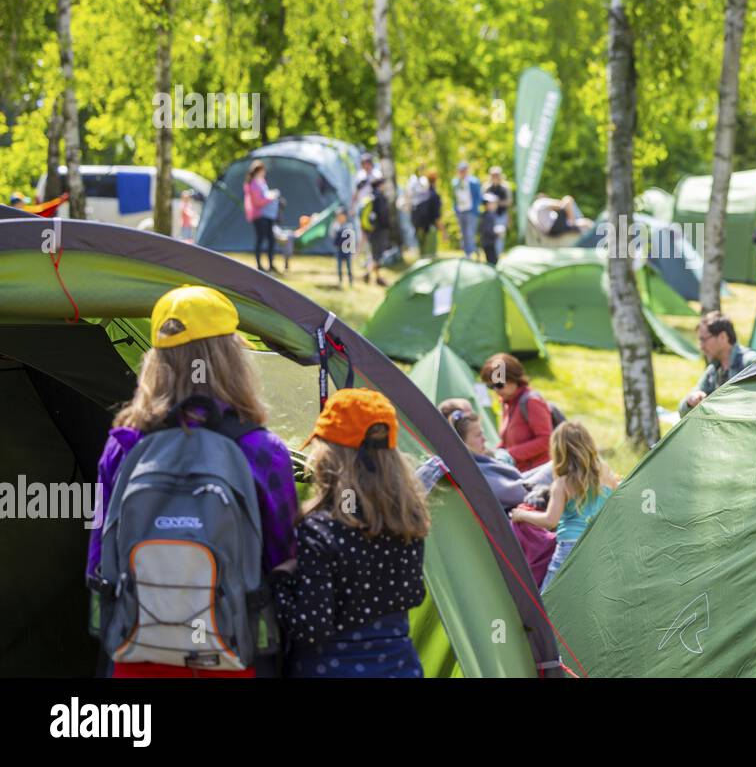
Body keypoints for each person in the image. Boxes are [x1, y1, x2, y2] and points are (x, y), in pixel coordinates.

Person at [86, 286, 298, 677]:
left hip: (137, 656)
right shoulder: (261, 450)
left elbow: (99, 563)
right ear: (233, 358)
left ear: (155, 361)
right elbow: (282, 561)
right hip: (232, 657)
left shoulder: (123, 446)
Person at [272, 388, 428, 678]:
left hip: (331, 668)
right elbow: (413, 592)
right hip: (399, 667)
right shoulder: (410, 521)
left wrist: (278, 583)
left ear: (329, 457)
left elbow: (311, 627)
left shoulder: (320, 533)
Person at [427, 399, 556, 587]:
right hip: (514, 546)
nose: (485, 439)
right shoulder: (474, 472)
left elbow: (518, 481)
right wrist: (554, 469)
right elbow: (518, 490)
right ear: (463, 442)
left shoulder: (476, 462)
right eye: (479, 435)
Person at [510, 421, 619, 592]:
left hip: (569, 546)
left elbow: (550, 520)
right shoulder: (606, 475)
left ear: (559, 451)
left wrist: (521, 515)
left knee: (550, 597)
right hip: (599, 544)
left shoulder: (562, 484)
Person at [480, 353, 554, 472]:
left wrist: (510, 454)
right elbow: (506, 441)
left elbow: (546, 440)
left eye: (499, 384)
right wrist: (492, 455)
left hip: (538, 473)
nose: (495, 390)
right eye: (491, 386)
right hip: (519, 471)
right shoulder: (507, 402)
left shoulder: (532, 402)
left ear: (513, 378)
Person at [679, 311, 756, 414]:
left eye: (704, 340)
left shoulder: (750, 362)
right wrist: (691, 402)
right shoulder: (713, 370)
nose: (701, 346)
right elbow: (682, 412)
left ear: (723, 337)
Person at [243, 160, 281, 273]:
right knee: (260, 239)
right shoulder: (253, 184)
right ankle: (259, 265)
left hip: (268, 215)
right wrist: (271, 197)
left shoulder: (261, 182)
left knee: (271, 239)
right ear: (259, 170)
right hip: (259, 215)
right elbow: (257, 202)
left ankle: (271, 264)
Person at [359, 182, 391, 287]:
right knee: (377, 255)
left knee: (375, 255)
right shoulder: (379, 198)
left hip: (372, 230)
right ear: (380, 185)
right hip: (379, 230)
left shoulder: (371, 197)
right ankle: (371, 275)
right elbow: (383, 215)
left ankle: (374, 276)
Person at [451, 161, 482, 258]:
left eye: (464, 170)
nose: (462, 172)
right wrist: (456, 209)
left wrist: (474, 209)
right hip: (461, 211)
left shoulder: (473, 181)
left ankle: (470, 253)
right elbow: (454, 197)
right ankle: (470, 251)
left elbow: (478, 197)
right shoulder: (456, 182)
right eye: (460, 170)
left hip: (470, 212)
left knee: (470, 232)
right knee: (464, 233)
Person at [411, 169, 442, 257]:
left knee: (422, 255)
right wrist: (443, 232)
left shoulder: (420, 194)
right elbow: (437, 216)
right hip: (430, 228)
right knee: (430, 256)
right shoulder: (434, 195)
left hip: (419, 227)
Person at [485, 166, 513, 258]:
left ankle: (498, 254)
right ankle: (492, 255)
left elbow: (508, 202)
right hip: (490, 217)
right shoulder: (487, 188)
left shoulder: (505, 188)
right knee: (490, 237)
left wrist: (497, 203)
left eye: (497, 175)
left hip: (501, 215)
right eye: (493, 175)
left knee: (500, 237)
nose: (495, 177)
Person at [330, 209, 355, 288]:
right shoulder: (336, 226)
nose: (340, 218)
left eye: (341, 216)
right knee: (339, 266)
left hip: (347, 250)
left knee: (348, 266)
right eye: (338, 217)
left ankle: (350, 281)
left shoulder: (349, 226)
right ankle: (340, 280)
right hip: (339, 249)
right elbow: (332, 235)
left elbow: (351, 238)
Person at [477, 193, 502, 266]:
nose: (495, 205)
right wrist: (496, 234)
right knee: (493, 261)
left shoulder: (485, 215)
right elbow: (487, 230)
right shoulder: (489, 215)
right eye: (493, 203)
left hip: (486, 242)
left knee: (491, 260)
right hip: (489, 242)